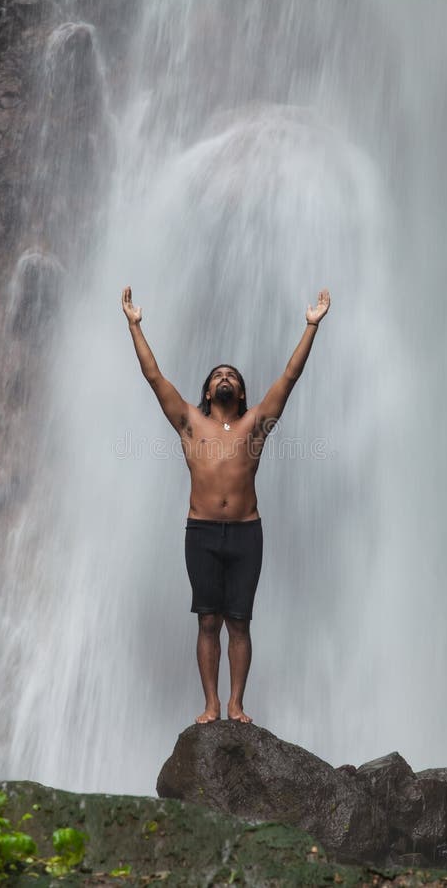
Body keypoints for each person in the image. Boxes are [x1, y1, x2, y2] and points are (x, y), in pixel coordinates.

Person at [122, 285, 331, 724]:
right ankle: (211, 705)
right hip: (200, 532)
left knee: (239, 622)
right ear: (206, 390)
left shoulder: (255, 425)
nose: (224, 378)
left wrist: (310, 326)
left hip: (245, 532)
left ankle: (235, 703)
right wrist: (134, 326)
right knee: (207, 621)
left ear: (239, 394)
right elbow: (154, 377)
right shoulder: (189, 423)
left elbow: (288, 379)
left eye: (231, 377)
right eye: (217, 375)